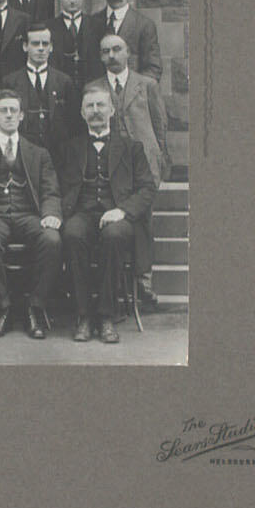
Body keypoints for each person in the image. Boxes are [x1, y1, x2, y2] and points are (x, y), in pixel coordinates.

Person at [0, 89, 63, 339]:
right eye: (3, 111)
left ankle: (35, 307)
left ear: (21, 117)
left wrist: (50, 214)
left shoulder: (38, 153)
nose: (8, 115)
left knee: (52, 240)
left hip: (29, 214)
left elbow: (51, 190)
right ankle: (3, 307)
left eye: (13, 111)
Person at [60, 85, 156, 344]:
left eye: (101, 105)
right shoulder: (71, 147)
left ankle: (105, 315)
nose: (95, 111)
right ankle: (82, 315)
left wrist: (122, 210)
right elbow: (59, 187)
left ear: (112, 110)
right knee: (71, 234)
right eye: (90, 107)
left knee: (114, 236)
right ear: (82, 113)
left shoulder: (131, 147)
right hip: (82, 212)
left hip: (118, 215)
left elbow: (147, 188)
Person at [93, 32, 172, 307]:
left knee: (143, 218)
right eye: (106, 51)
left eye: (117, 49)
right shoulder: (94, 87)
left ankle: (143, 278)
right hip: (115, 162)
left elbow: (159, 122)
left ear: (128, 53)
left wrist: (161, 156)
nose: (112, 56)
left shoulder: (146, 84)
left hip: (143, 159)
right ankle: (119, 279)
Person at [3, 22, 82, 174]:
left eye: (45, 44)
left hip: (58, 156)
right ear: (25, 46)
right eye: (35, 43)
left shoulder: (64, 81)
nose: (40, 48)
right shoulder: (11, 82)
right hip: (23, 154)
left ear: (51, 47)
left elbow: (73, 122)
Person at [80, 0, 163, 82]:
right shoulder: (90, 23)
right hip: (99, 96)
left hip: (133, 96)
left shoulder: (144, 25)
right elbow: (86, 67)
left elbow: (153, 69)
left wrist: (130, 91)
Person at [48, 0, 89, 87]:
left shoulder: (97, 26)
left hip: (89, 89)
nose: (72, 0)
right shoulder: (48, 28)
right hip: (60, 88)